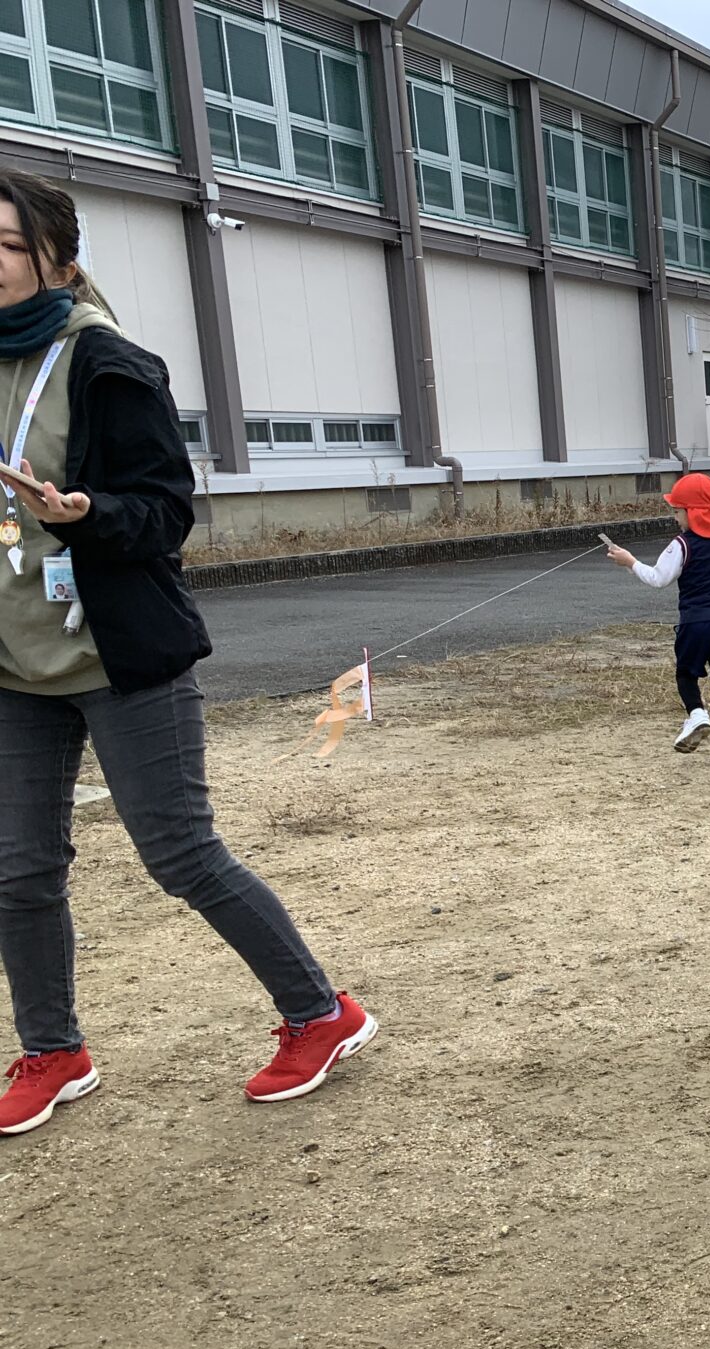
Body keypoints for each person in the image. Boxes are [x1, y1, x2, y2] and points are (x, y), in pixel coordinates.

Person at [0, 172, 375, 1137]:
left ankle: (321, 1014)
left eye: (3, 244)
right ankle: (54, 1050)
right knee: (17, 870)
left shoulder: (110, 363)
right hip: (15, 664)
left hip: (121, 654)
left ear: (59, 262)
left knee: (181, 855)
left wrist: (87, 514)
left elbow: (166, 512)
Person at [607, 471, 710, 766]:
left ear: (693, 512)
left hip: (694, 622)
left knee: (686, 674)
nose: (675, 518)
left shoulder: (682, 544)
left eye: (677, 511)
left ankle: (696, 714)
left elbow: (659, 578)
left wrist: (630, 562)